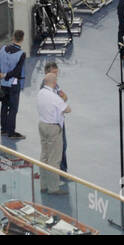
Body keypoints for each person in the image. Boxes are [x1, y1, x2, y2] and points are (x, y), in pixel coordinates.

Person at [37, 63, 70, 193]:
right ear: (48, 74)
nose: (56, 76)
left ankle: (44, 185)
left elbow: (64, 96)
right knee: (53, 157)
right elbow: (66, 106)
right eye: (54, 74)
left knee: (45, 155)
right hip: (53, 125)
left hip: (44, 124)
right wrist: (61, 101)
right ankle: (54, 187)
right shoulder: (51, 92)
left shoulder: (44, 90)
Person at [0, 30, 26, 139]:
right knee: (13, 109)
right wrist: (6, 75)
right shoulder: (21, 54)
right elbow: (17, 72)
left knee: (4, 106)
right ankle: (11, 133)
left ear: (13, 37)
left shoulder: (2, 49)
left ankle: (3, 130)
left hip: (3, 84)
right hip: (13, 84)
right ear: (22, 39)